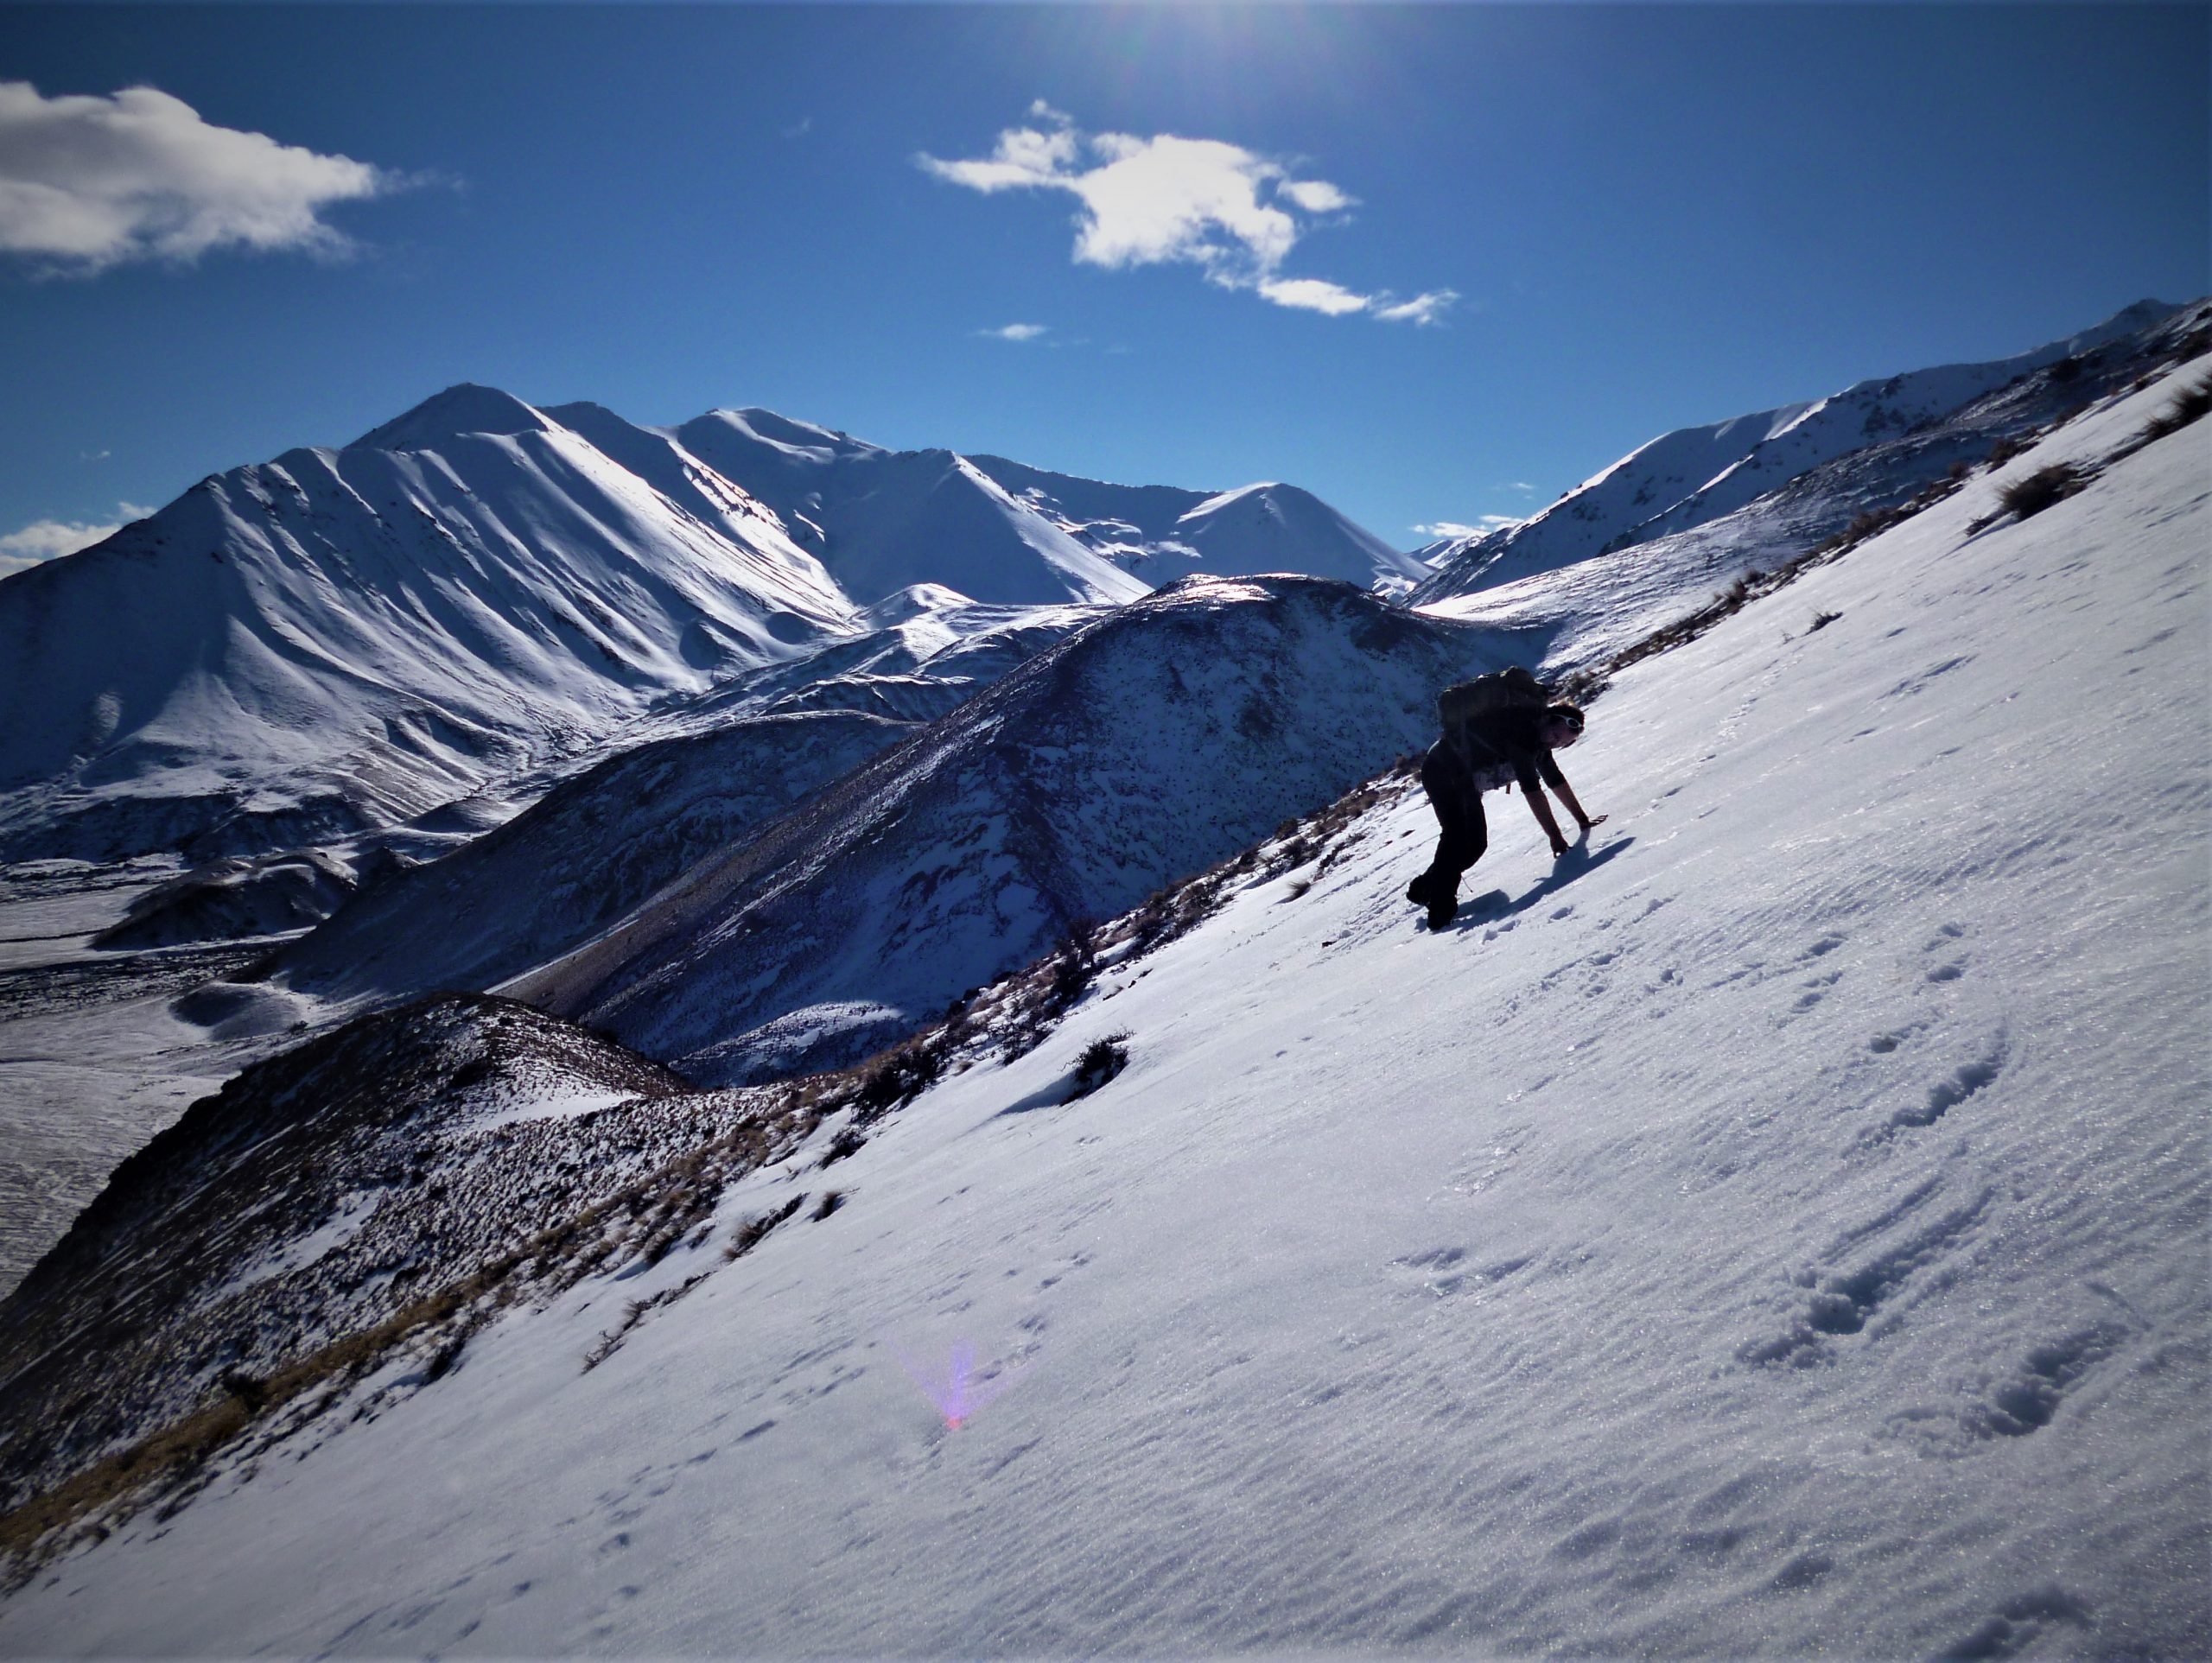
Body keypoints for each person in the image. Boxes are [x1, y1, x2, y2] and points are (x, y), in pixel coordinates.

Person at [1407, 699, 1605, 930]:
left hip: (1461, 776)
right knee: (1456, 835)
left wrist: (1581, 819)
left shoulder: (1540, 743)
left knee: (1475, 845)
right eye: (1556, 734)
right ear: (1549, 719)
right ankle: (1440, 912)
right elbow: (1533, 791)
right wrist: (1555, 836)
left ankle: (1424, 889)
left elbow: (1555, 780)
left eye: (1562, 742)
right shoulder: (1522, 736)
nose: (1555, 742)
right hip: (1441, 769)